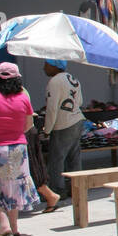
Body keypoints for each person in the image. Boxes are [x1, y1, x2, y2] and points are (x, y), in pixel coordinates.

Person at [0, 62, 53, 236]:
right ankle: (15, 227)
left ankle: (3, 225)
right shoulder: (23, 98)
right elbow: (29, 125)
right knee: (14, 186)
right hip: (18, 147)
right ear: (17, 78)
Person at [40, 60, 84, 200]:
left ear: (55, 66)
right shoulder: (73, 79)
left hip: (63, 123)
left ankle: (58, 190)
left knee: (56, 159)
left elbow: (52, 109)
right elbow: (80, 101)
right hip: (77, 120)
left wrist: (47, 129)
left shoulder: (54, 82)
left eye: (46, 65)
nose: (44, 68)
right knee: (74, 158)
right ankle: (77, 188)